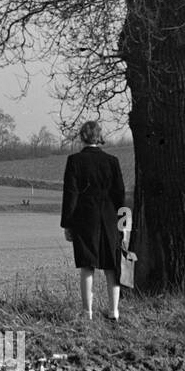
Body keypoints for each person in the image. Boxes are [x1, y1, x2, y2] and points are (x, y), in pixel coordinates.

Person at [60, 120, 125, 320]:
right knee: (111, 267)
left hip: (84, 219)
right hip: (109, 219)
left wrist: (67, 223)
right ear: (99, 137)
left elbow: (70, 194)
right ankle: (114, 312)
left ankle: (87, 312)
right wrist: (122, 221)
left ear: (82, 137)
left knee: (87, 266)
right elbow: (120, 194)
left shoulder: (74, 161)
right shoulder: (112, 161)